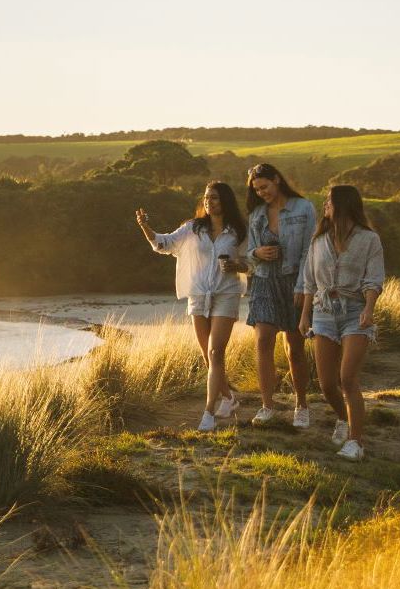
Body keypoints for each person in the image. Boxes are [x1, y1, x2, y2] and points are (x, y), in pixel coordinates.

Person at [136, 182, 248, 432]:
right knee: (208, 356)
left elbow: (250, 263)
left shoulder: (238, 231)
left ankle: (208, 412)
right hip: (198, 296)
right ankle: (229, 399)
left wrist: (236, 267)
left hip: (226, 294)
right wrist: (145, 226)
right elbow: (162, 244)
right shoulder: (192, 228)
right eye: (207, 197)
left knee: (215, 353)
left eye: (215, 198)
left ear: (225, 201)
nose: (209, 202)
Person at [295, 184, 385, 461]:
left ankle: (356, 443)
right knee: (326, 384)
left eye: (330, 203)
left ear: (344, 206)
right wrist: (304, 315)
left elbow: (374, 280)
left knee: (347, 378)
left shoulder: (369, 239)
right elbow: (309, 282)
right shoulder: (317, 241)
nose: (325, 207)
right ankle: (343, 419)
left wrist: (369, 310)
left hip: (355, 312)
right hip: (323, 313)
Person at [230, 162, 317, 428]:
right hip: (264, 282)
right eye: (256, 190)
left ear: (277, 179)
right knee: (263, 341)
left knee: (294, 347)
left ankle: (301, 405)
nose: (261, 193)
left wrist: (303, 287)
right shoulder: (257, 214)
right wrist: (257, 254)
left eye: (264, 187)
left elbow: (310, 252)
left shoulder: (304, 208)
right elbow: (249, 255)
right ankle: (267, 405)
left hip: (294, 282)